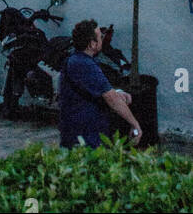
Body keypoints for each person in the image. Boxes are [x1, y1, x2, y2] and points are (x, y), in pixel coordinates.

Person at [58, 18, 141, 149]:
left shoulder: (80, 60)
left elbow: (97, 88)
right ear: (92, 44)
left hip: (85, 132)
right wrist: (134, 124)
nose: (102, 39)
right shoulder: (83, 64)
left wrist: (117, 92)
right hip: (83, 136)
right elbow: (111, 98)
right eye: (100, 36)